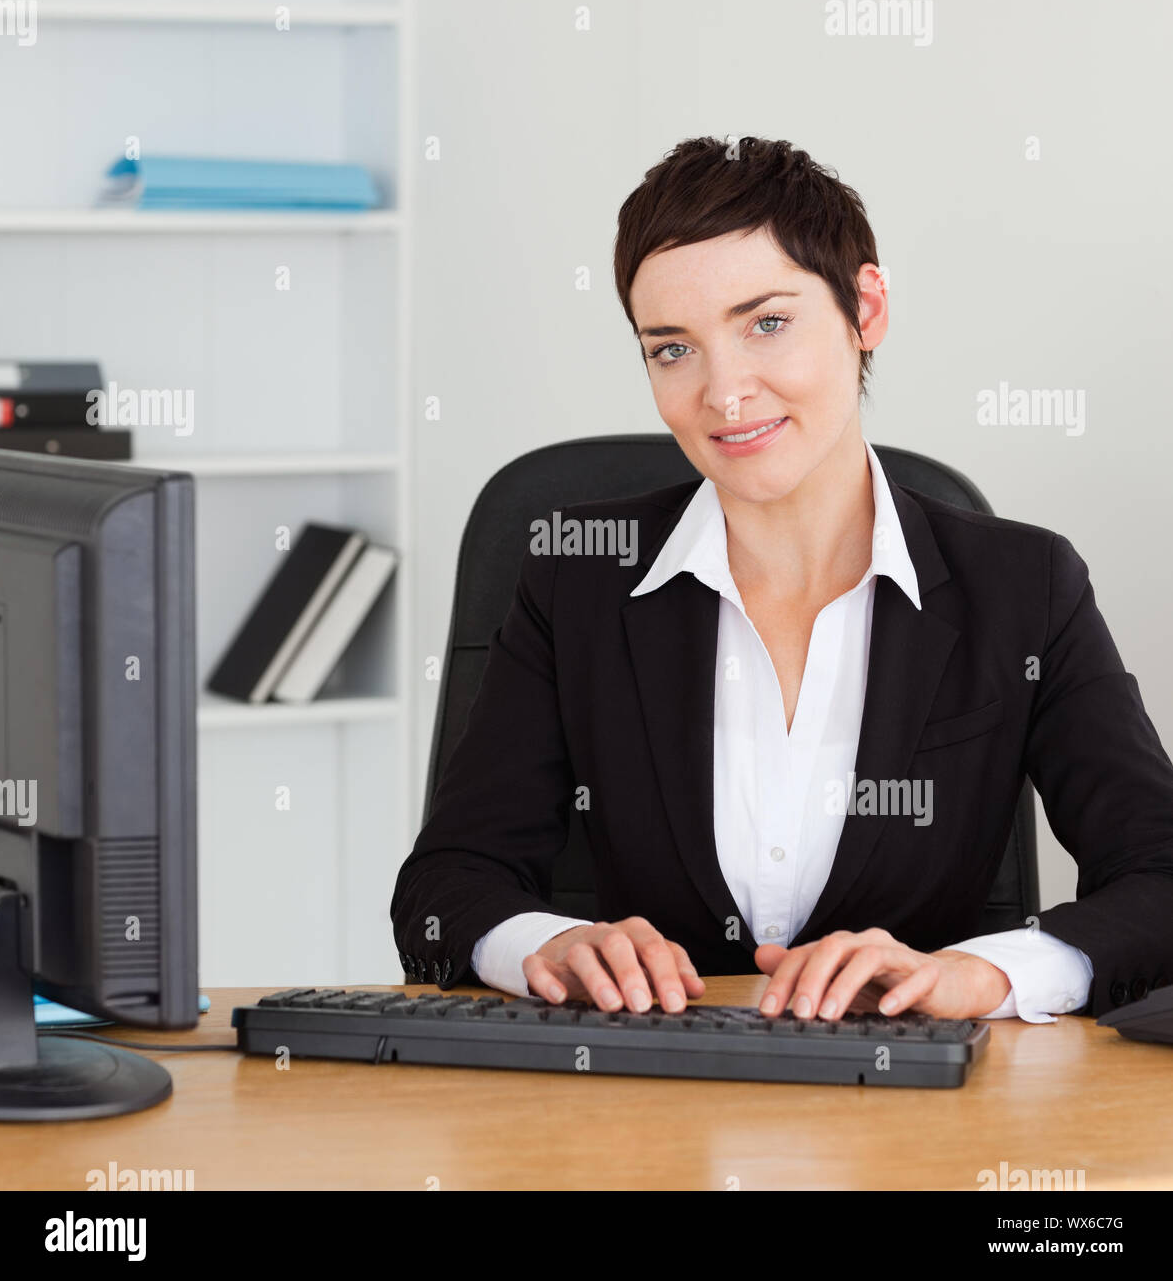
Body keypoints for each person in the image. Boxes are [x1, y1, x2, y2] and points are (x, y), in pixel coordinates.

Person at [392, 135, 1173, 1024]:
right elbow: (443, 888)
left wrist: (984, 975)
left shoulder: (1023, 587)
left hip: (915, 1128)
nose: (724, 393)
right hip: (640, 1119)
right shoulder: (579, 578)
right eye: (672, 349)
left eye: (766, 323)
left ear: (865, 310)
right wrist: (541, 942)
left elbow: (1161, 875)